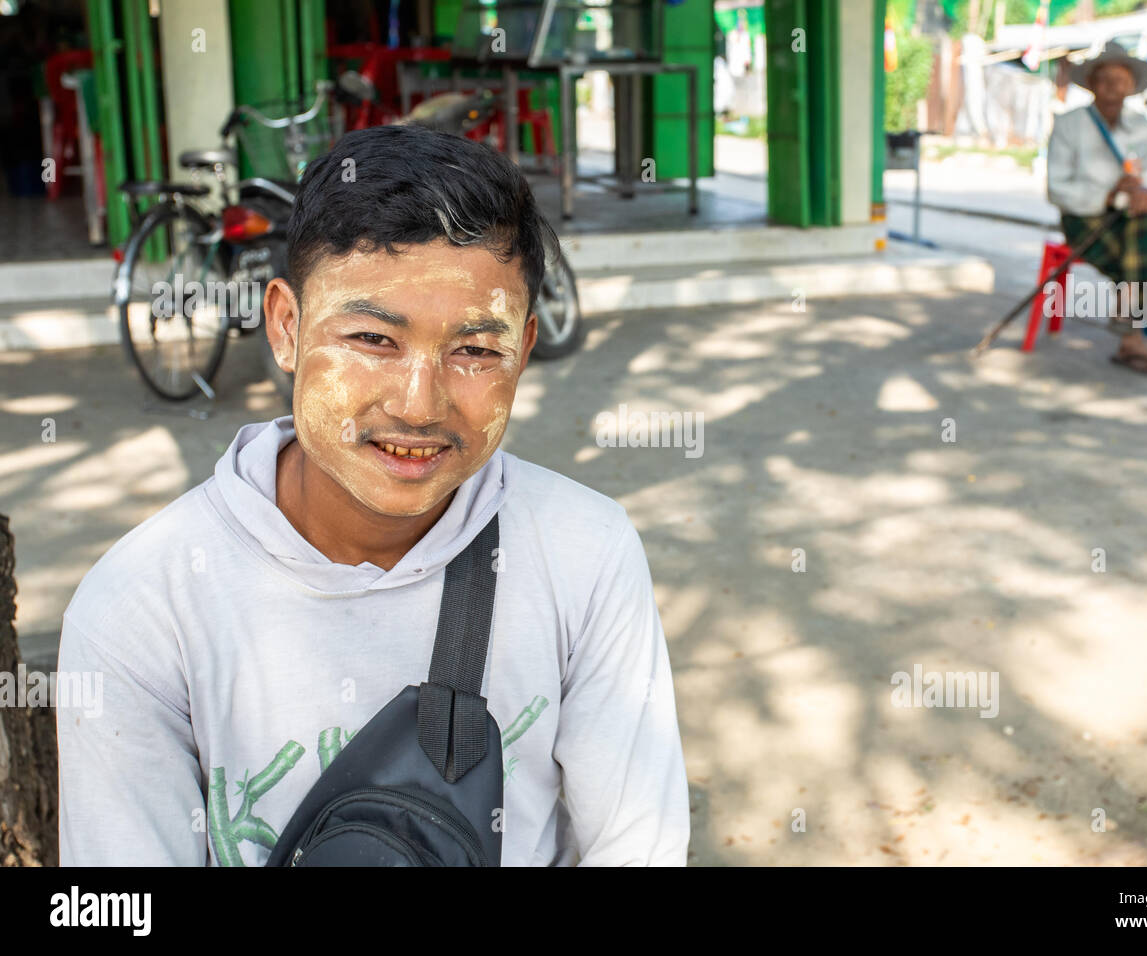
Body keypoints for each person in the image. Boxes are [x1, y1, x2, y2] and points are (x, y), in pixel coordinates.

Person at [56, 125, 690, 866]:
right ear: (287, 328)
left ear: (521, 352)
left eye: (476, 351)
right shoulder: (139, 608)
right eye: (372, 339)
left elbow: (635, 845)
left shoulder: (586, 551)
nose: (420, 406)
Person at [1047, 41, 1147, 375]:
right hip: (1083, 218)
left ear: (1131, 85)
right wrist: (1107, 195)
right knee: (1144, 256)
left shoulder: (1143, 129)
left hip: (1130, 218)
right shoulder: (1069, 124)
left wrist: (1145, 190)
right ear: (1092, 82)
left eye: (1120, 79)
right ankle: (1133, 339)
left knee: (1144, 222)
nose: (1112, 86)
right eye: (1104, 78)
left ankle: (1130, 335)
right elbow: (1056, 187)